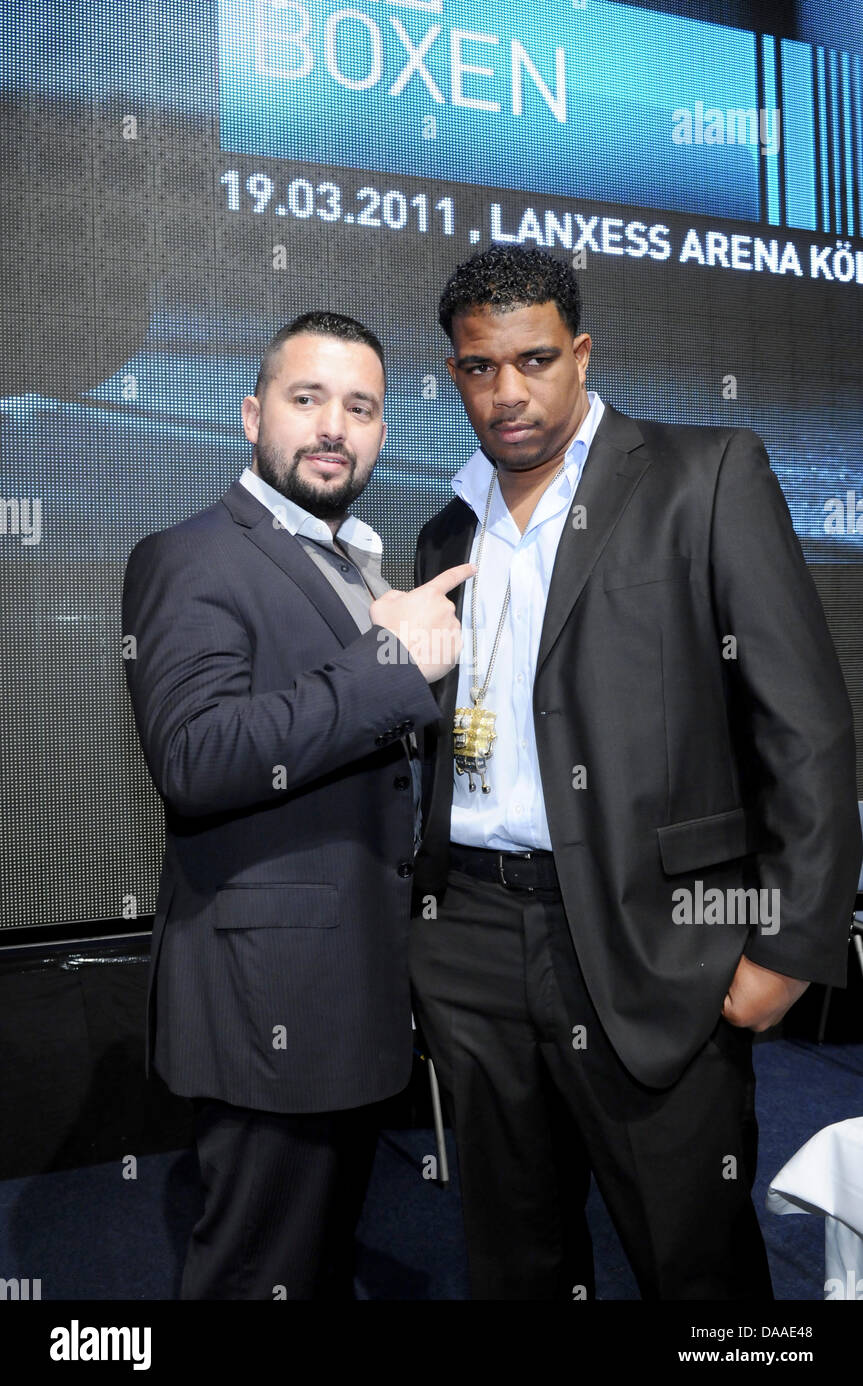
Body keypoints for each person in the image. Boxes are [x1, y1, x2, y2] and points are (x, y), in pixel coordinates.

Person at [409, 247, 862, 1300]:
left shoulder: (704, 473)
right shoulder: (444, 525)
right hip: (473, 938)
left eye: (533, 360)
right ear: (454, 372)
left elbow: (805, 729)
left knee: (692, 1261)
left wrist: (789, 948)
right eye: (480, 368)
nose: (508, 392)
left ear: (580, 352)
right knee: (513, 1260)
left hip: (654, 939)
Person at [122, 311, 472, 1299]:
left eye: (358, 407)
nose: (332, 426)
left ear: (381, 433)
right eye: (305, 398)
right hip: (268, 997)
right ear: (249, 414)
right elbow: (194, 757)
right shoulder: (190, 556)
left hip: (351, 985)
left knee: (311, 1266)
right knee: (255, 1271)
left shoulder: (355, 562)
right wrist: (389, 665)